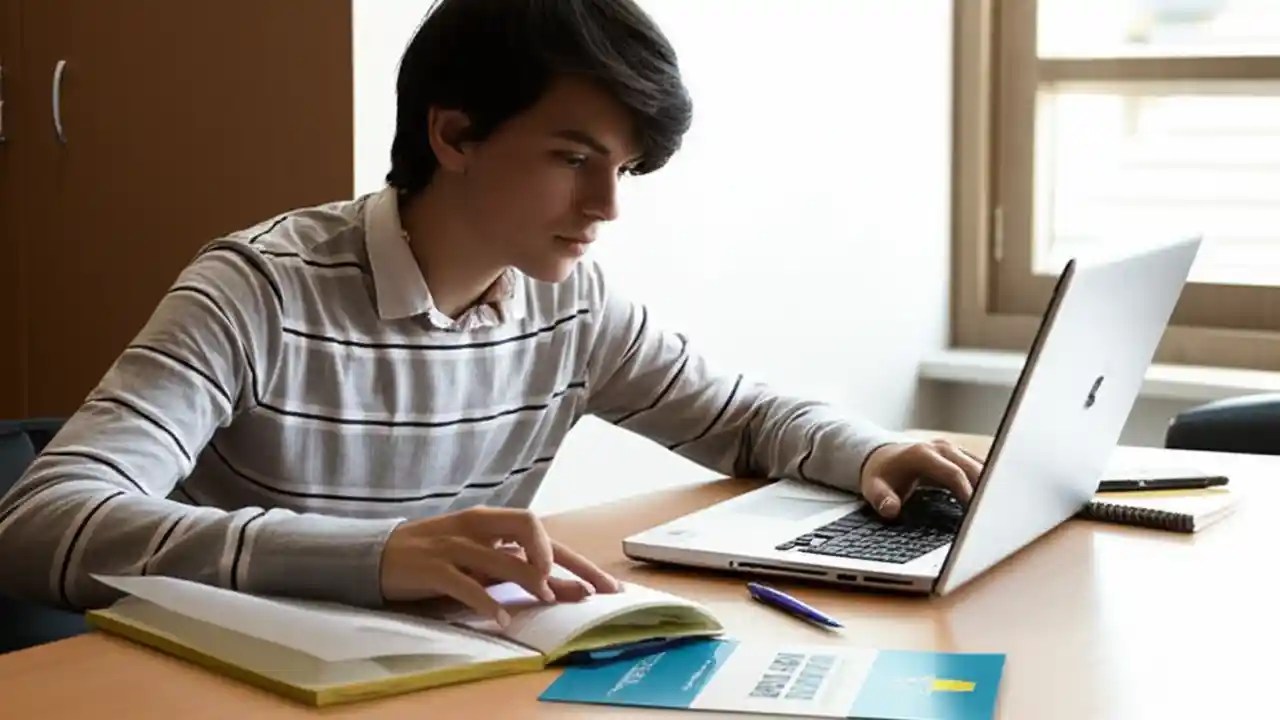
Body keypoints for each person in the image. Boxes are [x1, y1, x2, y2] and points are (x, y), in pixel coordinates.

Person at [0, 0, 980, 627]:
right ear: (454, 134)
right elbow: (39, 524)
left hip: (454, 671)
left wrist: (870, 454)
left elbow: (743, 419)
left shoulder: (570, 302)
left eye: (624, 168)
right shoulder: (256, 288)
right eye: (571, 158)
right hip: (236, 682)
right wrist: (378, 559)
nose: (606, 206)